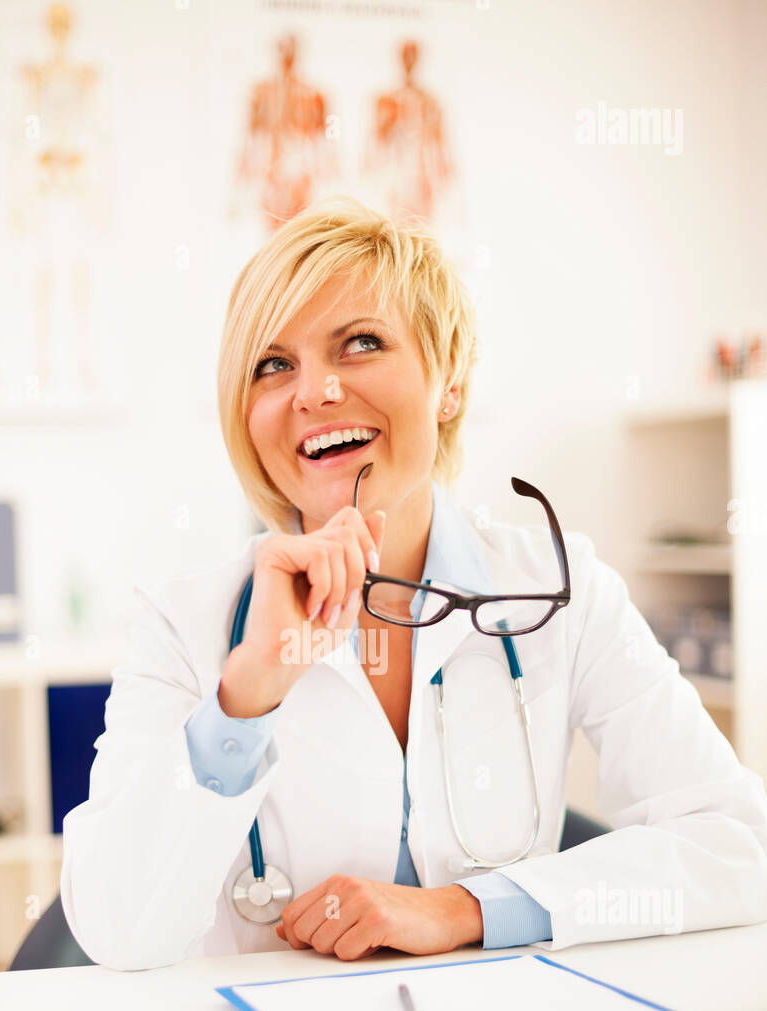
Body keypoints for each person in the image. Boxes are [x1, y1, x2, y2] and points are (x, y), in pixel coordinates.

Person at [60, 196, 767, 971]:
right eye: (274, 365)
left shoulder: (561, 592)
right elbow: (116, 932)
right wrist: (246, 695)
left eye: (360, 343)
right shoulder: (183, 622)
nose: (313, 393)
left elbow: (736, 844)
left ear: (449, 384)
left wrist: (465, 910)